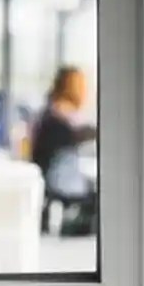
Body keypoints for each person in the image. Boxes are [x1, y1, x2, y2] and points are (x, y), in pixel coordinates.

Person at [30, 66, 98, 233]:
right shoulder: (62, 115)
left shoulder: (50, 112)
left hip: (51, 174)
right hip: (60, 178)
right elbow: (80, 134)